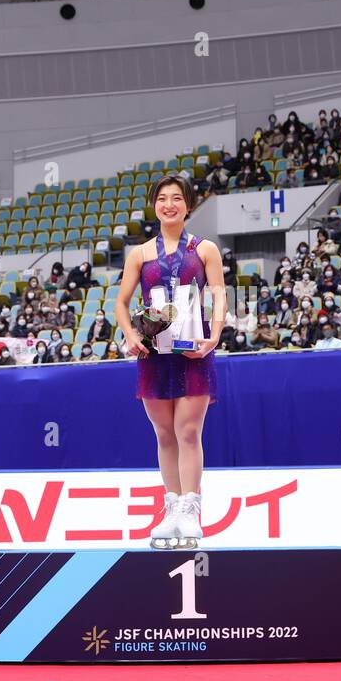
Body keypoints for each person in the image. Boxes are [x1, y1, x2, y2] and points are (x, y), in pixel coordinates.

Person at [115, 175, 225, 551]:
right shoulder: (140, 253)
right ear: (154, 205)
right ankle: (171, 510)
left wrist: (214, 336)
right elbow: (121, 302)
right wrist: (131, 335)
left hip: (193, 351)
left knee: (188, 431)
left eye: (177, 198)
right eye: (162, 198)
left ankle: (191, 510)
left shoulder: (205, 249)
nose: (169, 204)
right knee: (164, 434)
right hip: (154, 353)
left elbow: (219, 295)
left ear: (188, 205)